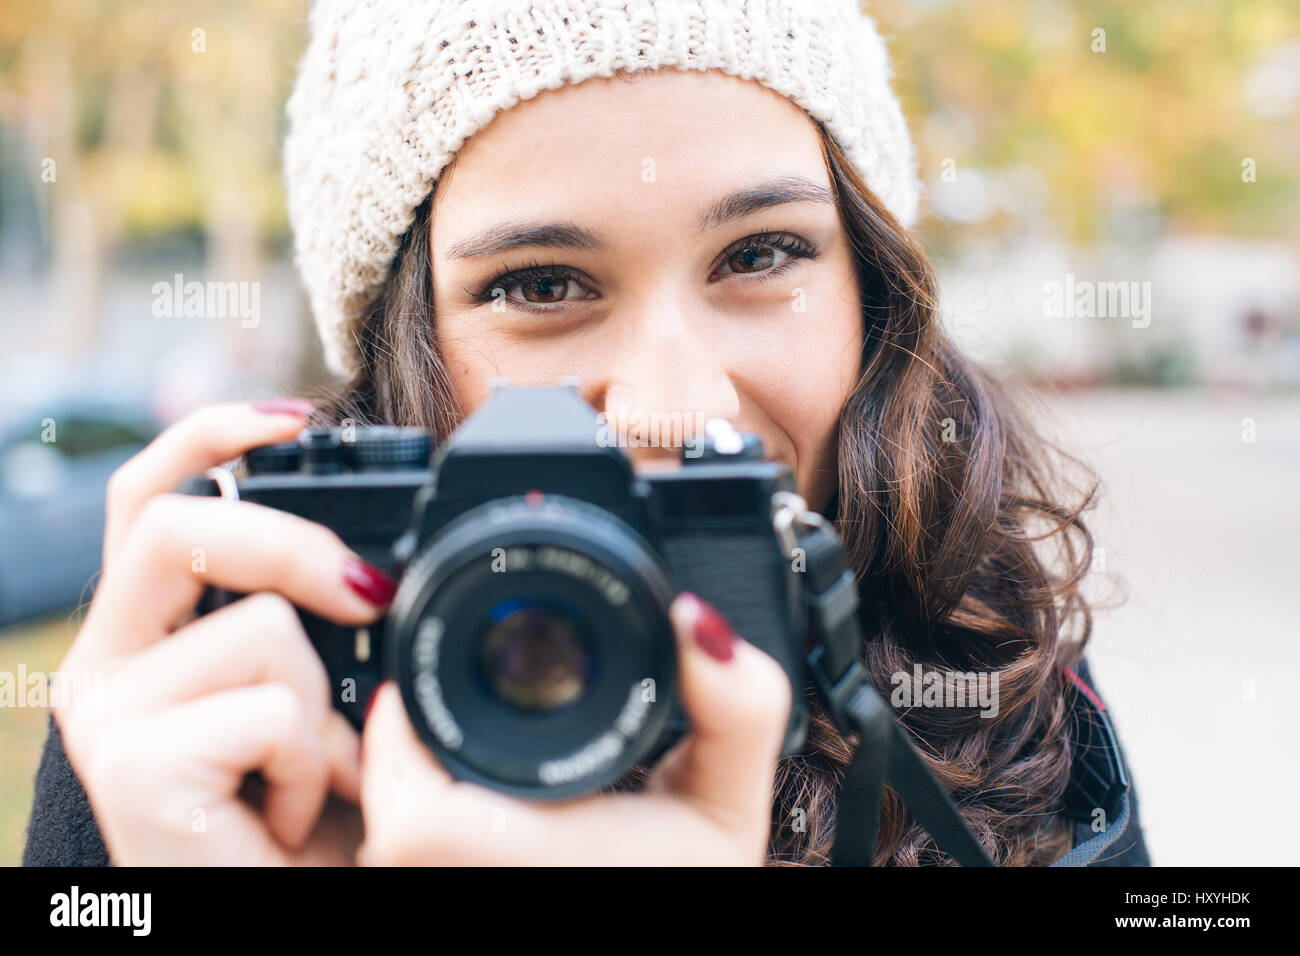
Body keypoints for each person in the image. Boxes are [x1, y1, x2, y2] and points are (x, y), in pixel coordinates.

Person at [25, 0, 1148, 866]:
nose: (680, 404)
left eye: (760, 255)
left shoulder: (979, 651)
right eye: (544, 281)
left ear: (872, 288)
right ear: (394, 359)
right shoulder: (225, 704)